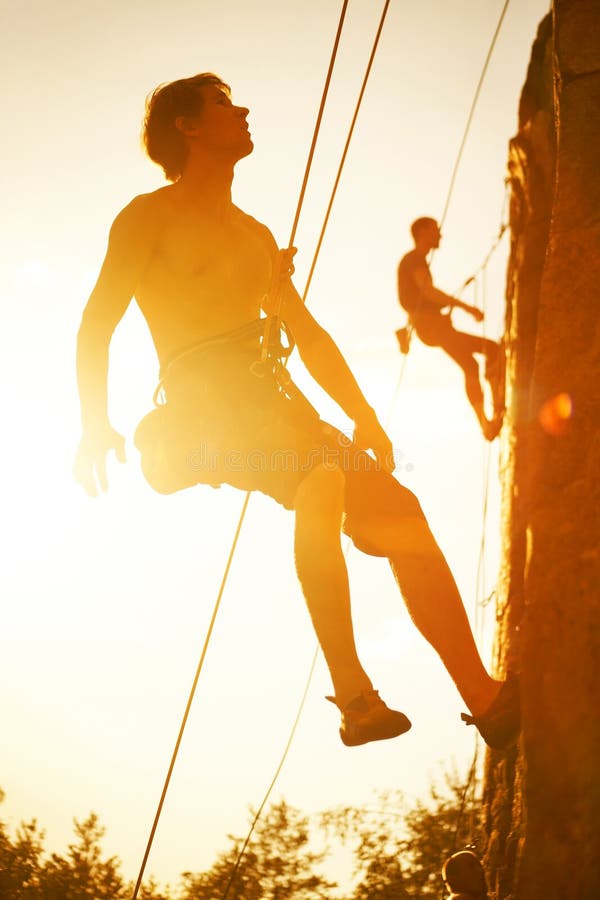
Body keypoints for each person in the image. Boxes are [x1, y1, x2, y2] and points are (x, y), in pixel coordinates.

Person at [74, 72, 520, 750]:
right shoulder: (147, 217)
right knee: (320, 477)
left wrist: (364, 414)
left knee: (401, 515)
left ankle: (487, 702)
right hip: (203, 408)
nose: (243, 108)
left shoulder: (255, 237)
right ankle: (355, 697)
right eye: (223, 103)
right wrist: (93, 421)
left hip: (275, 405)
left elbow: (308, 335)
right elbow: (97, 321)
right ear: (187, 128)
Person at [396, 217, 504, 440]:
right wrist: (466, 307)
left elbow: (420, 296)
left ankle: (488, 421)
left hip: (431, 327)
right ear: (423, 232)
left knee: (475, 362)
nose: (441, 234)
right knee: (488, 351)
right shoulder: (415, 259)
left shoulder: (414, 260)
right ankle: (494, 413)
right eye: (436, 229)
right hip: (432, 327)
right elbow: (428, 291)